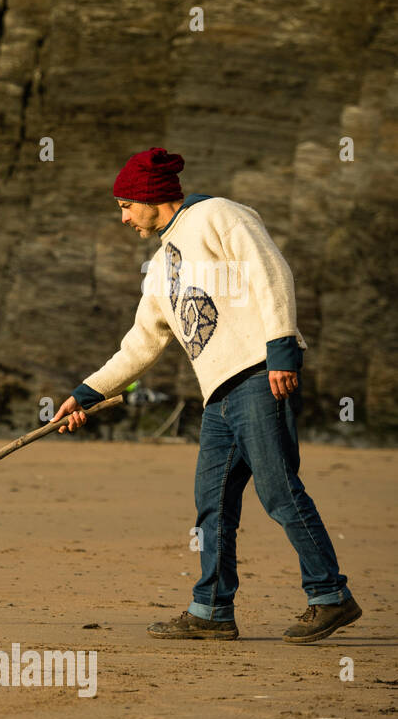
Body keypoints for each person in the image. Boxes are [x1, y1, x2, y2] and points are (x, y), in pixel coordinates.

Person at [49, 147, 360, 644]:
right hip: (218, 394)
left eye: (127, 204)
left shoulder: (218, 215)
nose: (123, 216)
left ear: (152, 197)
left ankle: (330, 596)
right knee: (211, 502)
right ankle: (212, 610)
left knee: (278, 491)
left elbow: (270, 271)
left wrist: (282, 348)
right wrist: (86, 393)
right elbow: (142, 344)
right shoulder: (158, 266)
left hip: (260, 374)